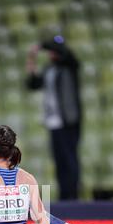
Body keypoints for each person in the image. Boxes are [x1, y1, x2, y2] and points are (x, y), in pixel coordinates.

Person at [26, 35, 81, 200]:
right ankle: (64, 194)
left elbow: (66, 54)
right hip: (53, 121)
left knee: (70, 158)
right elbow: (33, 84)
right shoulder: (49, 69)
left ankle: (73, 194)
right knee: (59, 160)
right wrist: (31, 60)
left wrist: (41, 45)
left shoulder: (70, 66)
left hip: (68, 120)